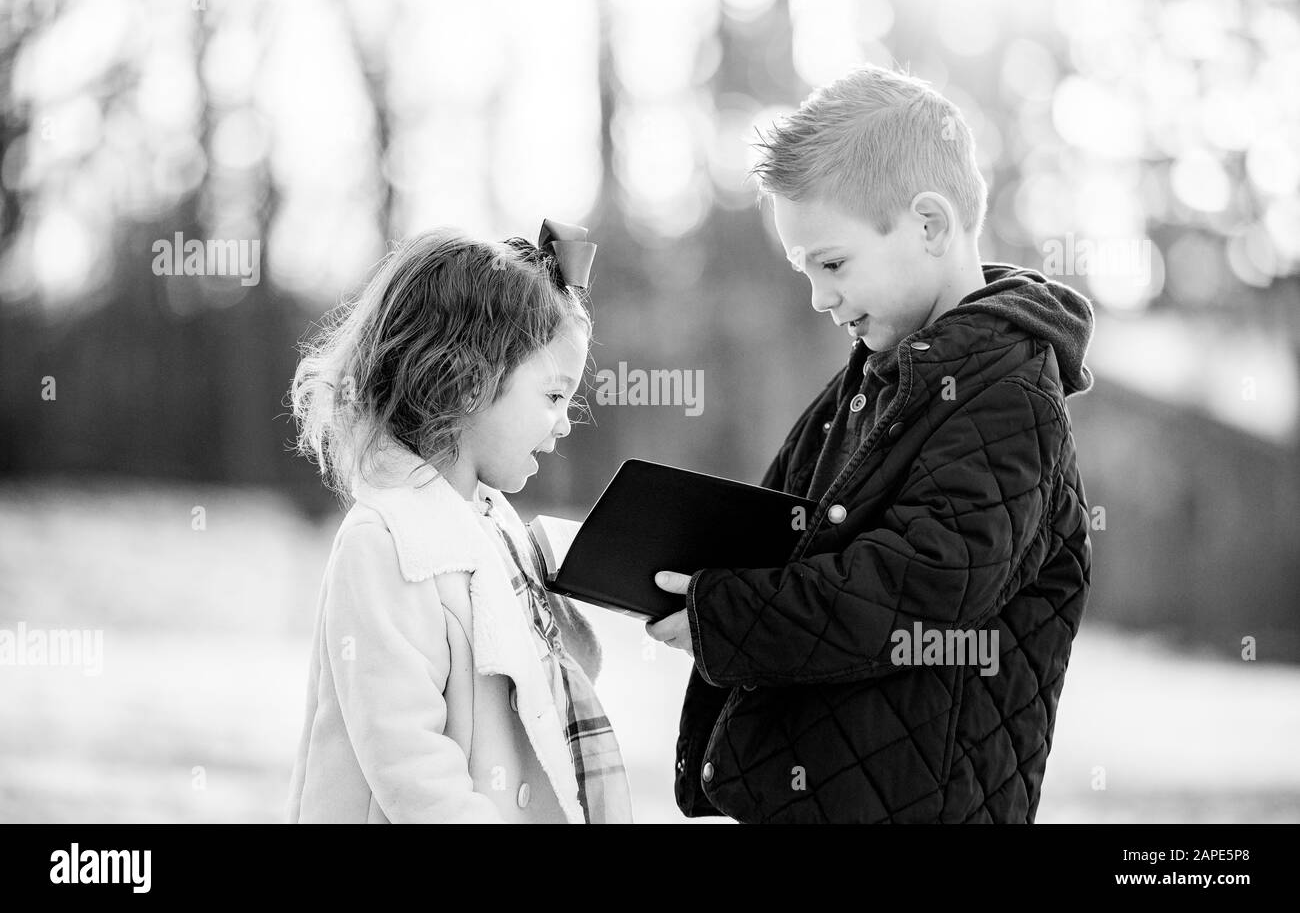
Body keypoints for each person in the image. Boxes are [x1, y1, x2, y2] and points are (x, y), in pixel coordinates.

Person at [648, 64, 1094, 823]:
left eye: (831, 263)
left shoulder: (1010, 395)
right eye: (804, 270)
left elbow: (918, 588)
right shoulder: (876, 386)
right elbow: (785, 537)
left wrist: (724, 617)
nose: (820, 297)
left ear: (928, 224)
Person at [286, 221, 632, 823]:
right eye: (554, 396)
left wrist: (565, 592)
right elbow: (411, 766)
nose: (566, 423)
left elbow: (561, 685)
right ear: (471, 382)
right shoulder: (386, 543)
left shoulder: (496, 528)